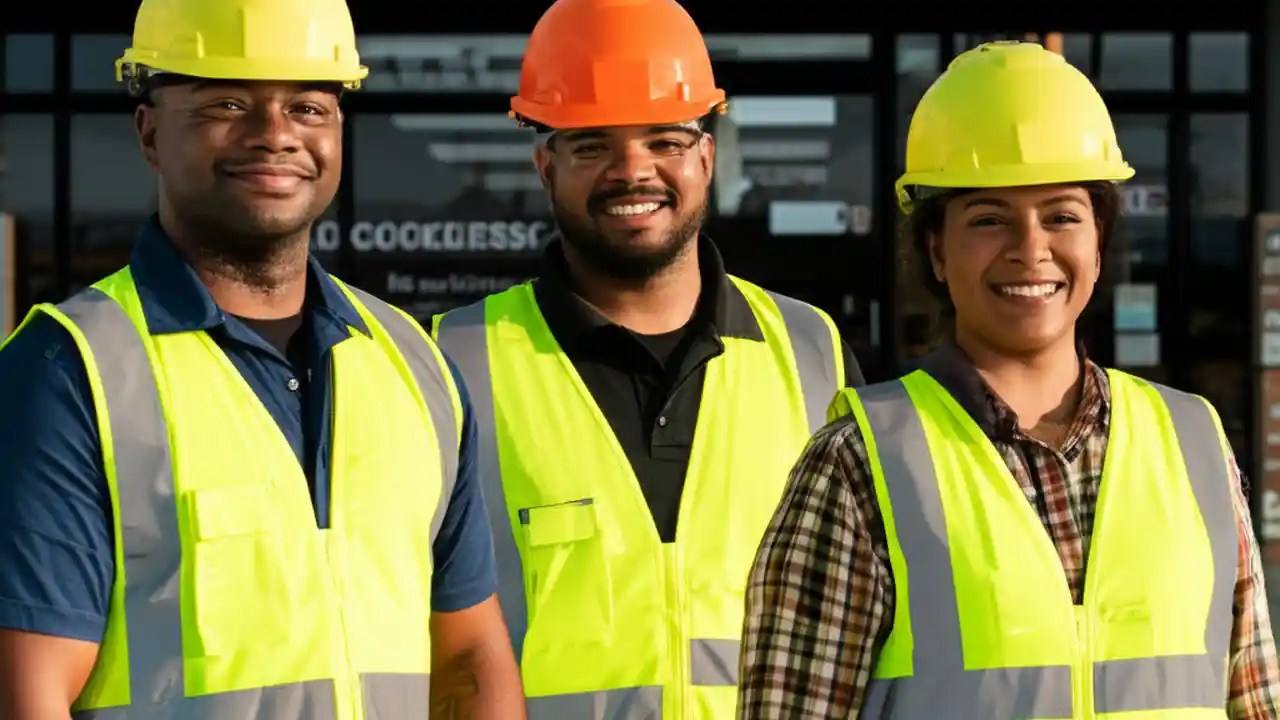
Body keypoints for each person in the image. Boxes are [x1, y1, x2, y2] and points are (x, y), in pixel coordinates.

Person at [0, 0, 525, 718]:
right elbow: (27, 689)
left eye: (308, 106)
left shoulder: (413, 363)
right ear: (150, 132)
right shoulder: (66, 372)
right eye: (228, 102)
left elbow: (468, 659)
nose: (275, 134)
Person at [738, 40, 1280, 719]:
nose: (1031, 249)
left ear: (1099, 239)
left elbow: (1254, 700)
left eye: (1061, 216)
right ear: (935, 249)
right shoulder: (858, 464)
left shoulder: (1194, 443)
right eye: (989, 219)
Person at [430, 0, 865, 716]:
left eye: (664, 140)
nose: (633, 172)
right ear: (546, 167)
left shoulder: (812, 351)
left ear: (707, 156)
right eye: (594, 144)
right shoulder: (449, 362)